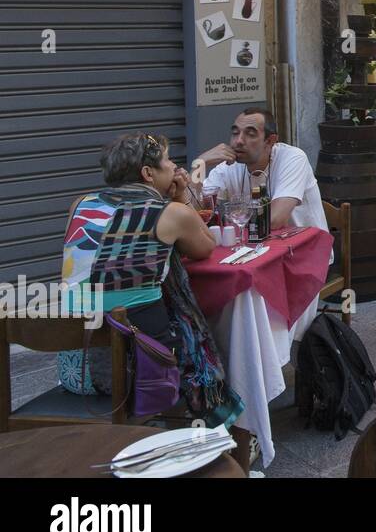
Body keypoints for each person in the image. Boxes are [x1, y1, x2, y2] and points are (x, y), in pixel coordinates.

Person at [58, 133, 244, 426]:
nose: (175, 167)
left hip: (75, 370)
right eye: (168, 161)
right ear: (148, 173)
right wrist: (181, 198)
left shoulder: (80, 204)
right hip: (140, 375)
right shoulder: (169, 212)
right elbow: (205, 246)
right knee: (193, 331)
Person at [200, 107, 328, 234]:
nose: (238, 141)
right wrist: (199, 165)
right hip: (256, 246)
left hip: (307, 249)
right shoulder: (228, 167)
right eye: (235, 133)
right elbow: (198, 209)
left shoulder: (293, 158)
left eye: (250, 134)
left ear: (270, 140)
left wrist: (236, 217)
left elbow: (275, 220)